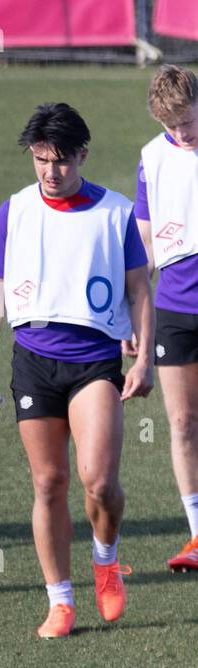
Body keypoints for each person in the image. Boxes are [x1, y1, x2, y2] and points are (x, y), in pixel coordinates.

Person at [0, 103, 154, 639]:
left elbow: (140, 289)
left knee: (99, 481)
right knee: (48, 482)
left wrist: (143, 358)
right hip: (33, 359)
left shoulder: (115, 213)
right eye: (40, 160)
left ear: (83, 156)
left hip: (94, 360)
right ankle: (60, 601)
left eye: (61, 162)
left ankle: (105, 555)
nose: (51, 173)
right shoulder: (15, 211)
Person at [136, 65, 198, 571]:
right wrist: (127, 314)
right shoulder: (152, 158)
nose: (182, 133)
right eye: (171, 125)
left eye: (187, 120)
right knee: (181, 423)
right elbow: (146, 245)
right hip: (175, 307)